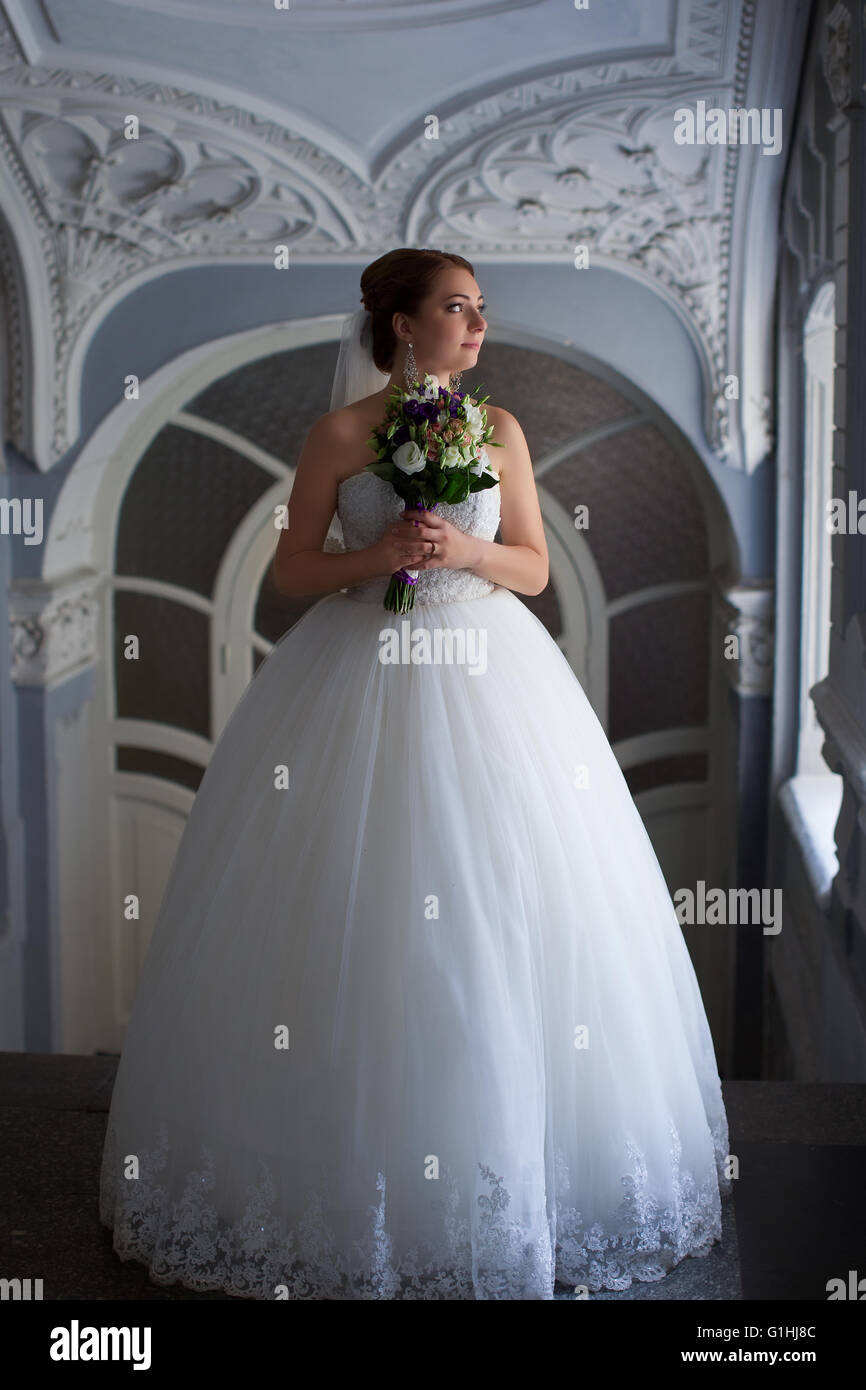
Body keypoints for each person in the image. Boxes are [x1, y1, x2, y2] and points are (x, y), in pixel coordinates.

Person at [99, 247, 731, 1300]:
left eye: (481, 309)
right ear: (399, 325)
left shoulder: (498, 431)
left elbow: (528, 563)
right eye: (454, 308)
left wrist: (461, 553)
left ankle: (497, 1186)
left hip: (490, 677)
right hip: (356, 673)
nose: (476, 326)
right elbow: (292, 566)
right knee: (361, 924)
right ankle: (348, 1188)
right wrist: (382, 553)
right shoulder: (338, 436)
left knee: (499, 919)